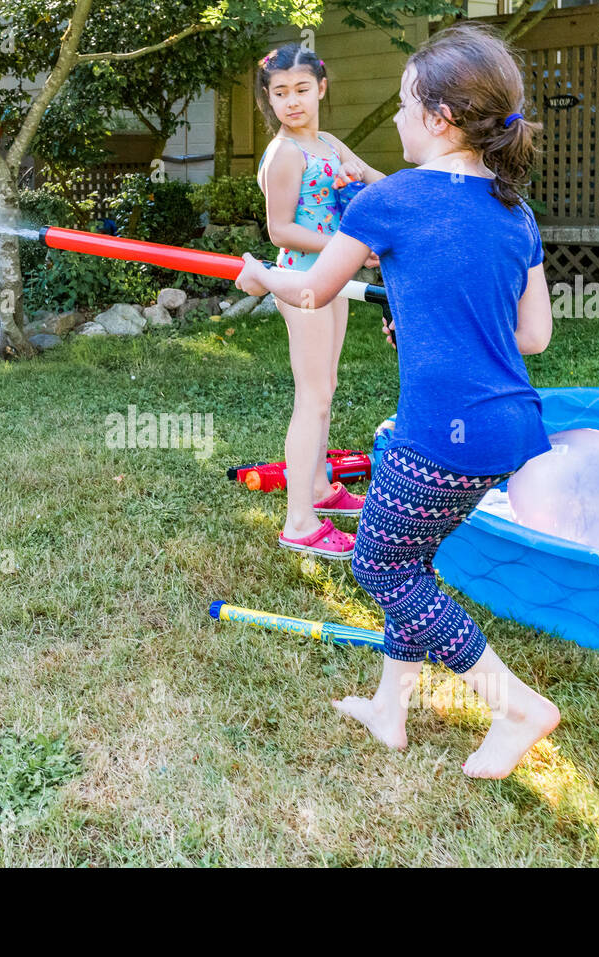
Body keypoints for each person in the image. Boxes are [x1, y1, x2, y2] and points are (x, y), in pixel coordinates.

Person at [235, 22, 560, 779]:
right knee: (411, 557)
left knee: (382, 569)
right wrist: (428, 317)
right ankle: (389, 707)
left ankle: (513, 703)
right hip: (511, 428)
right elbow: (533, 333)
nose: (399, 120)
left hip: (437, 439)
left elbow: (313, 290)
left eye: (407, 105)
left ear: (439, 118)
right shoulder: (516, 209)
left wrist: (261, 276)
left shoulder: (393, 200)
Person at [254, 44, 386, 560]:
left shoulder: (327, 141)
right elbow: (280, 229)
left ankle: (319, 487)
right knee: (312, 397)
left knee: (325, 389)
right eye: (280, 92)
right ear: (269, 97)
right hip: (303, 281)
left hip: (334, 277)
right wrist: (349, 247)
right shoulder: (285, 153)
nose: (292, 101)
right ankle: (299, 522)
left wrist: (419, 192)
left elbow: (372, 182)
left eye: (301, 90)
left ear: (321, 89)